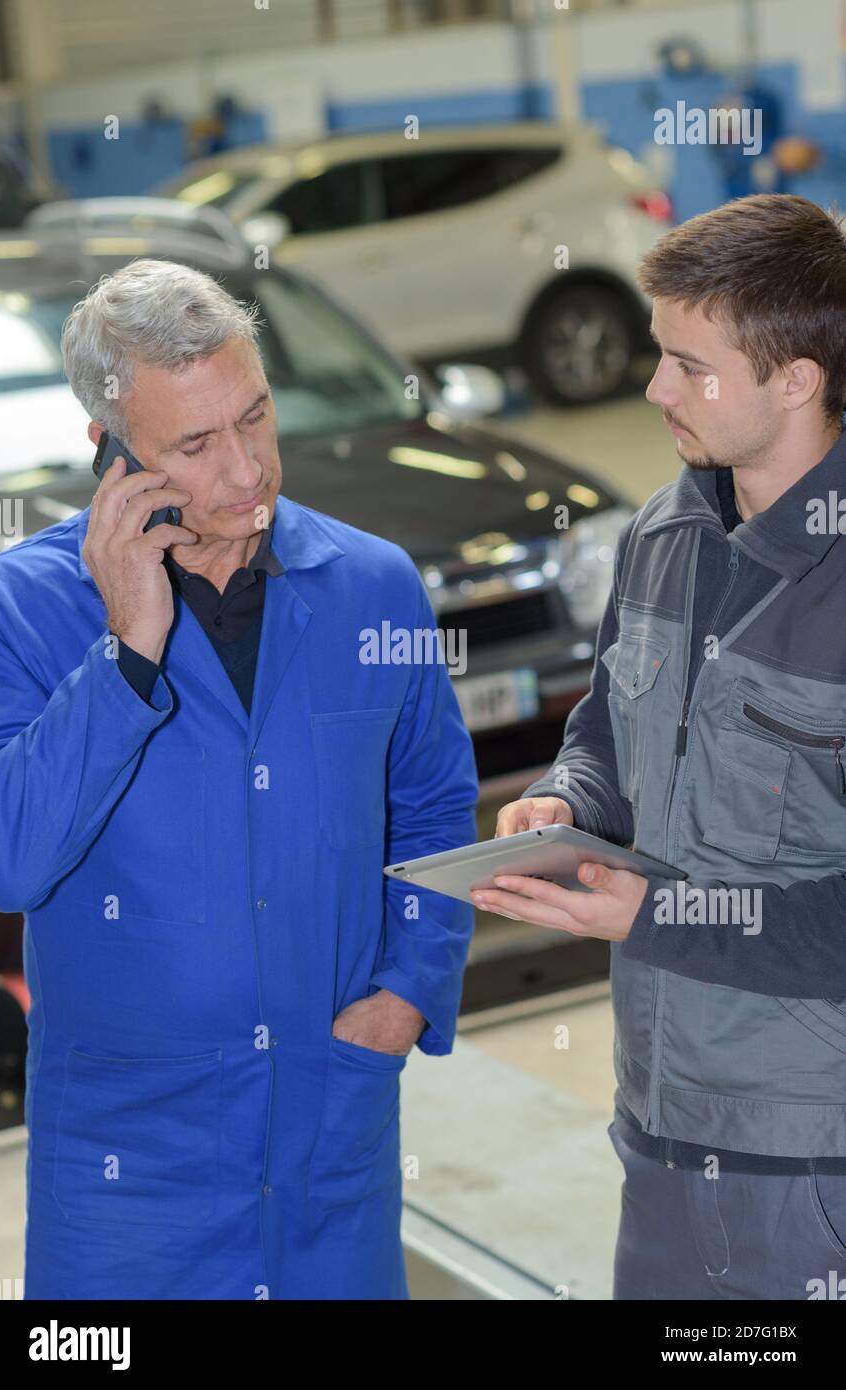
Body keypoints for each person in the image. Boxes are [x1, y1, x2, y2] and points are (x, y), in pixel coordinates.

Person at [0, 258, 478, 1299]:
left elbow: (434, 807)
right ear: (112, 456)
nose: (248, 470)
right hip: (126, 1171)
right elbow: (8, 860)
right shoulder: (13, 609)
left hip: (330, 1128)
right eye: (197, 445)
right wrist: (127, 649)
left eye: (255, 418)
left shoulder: (372, 584)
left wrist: (404, 995)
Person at [478, 194, 846, 1299]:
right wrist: (565, 804)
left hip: (814, 1166)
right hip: (658, 1131)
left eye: (691, 365)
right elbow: (605, 734)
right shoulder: (662, 535)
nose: (653, 390)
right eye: (657, 355)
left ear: (797, 378)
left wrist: (660, 913)